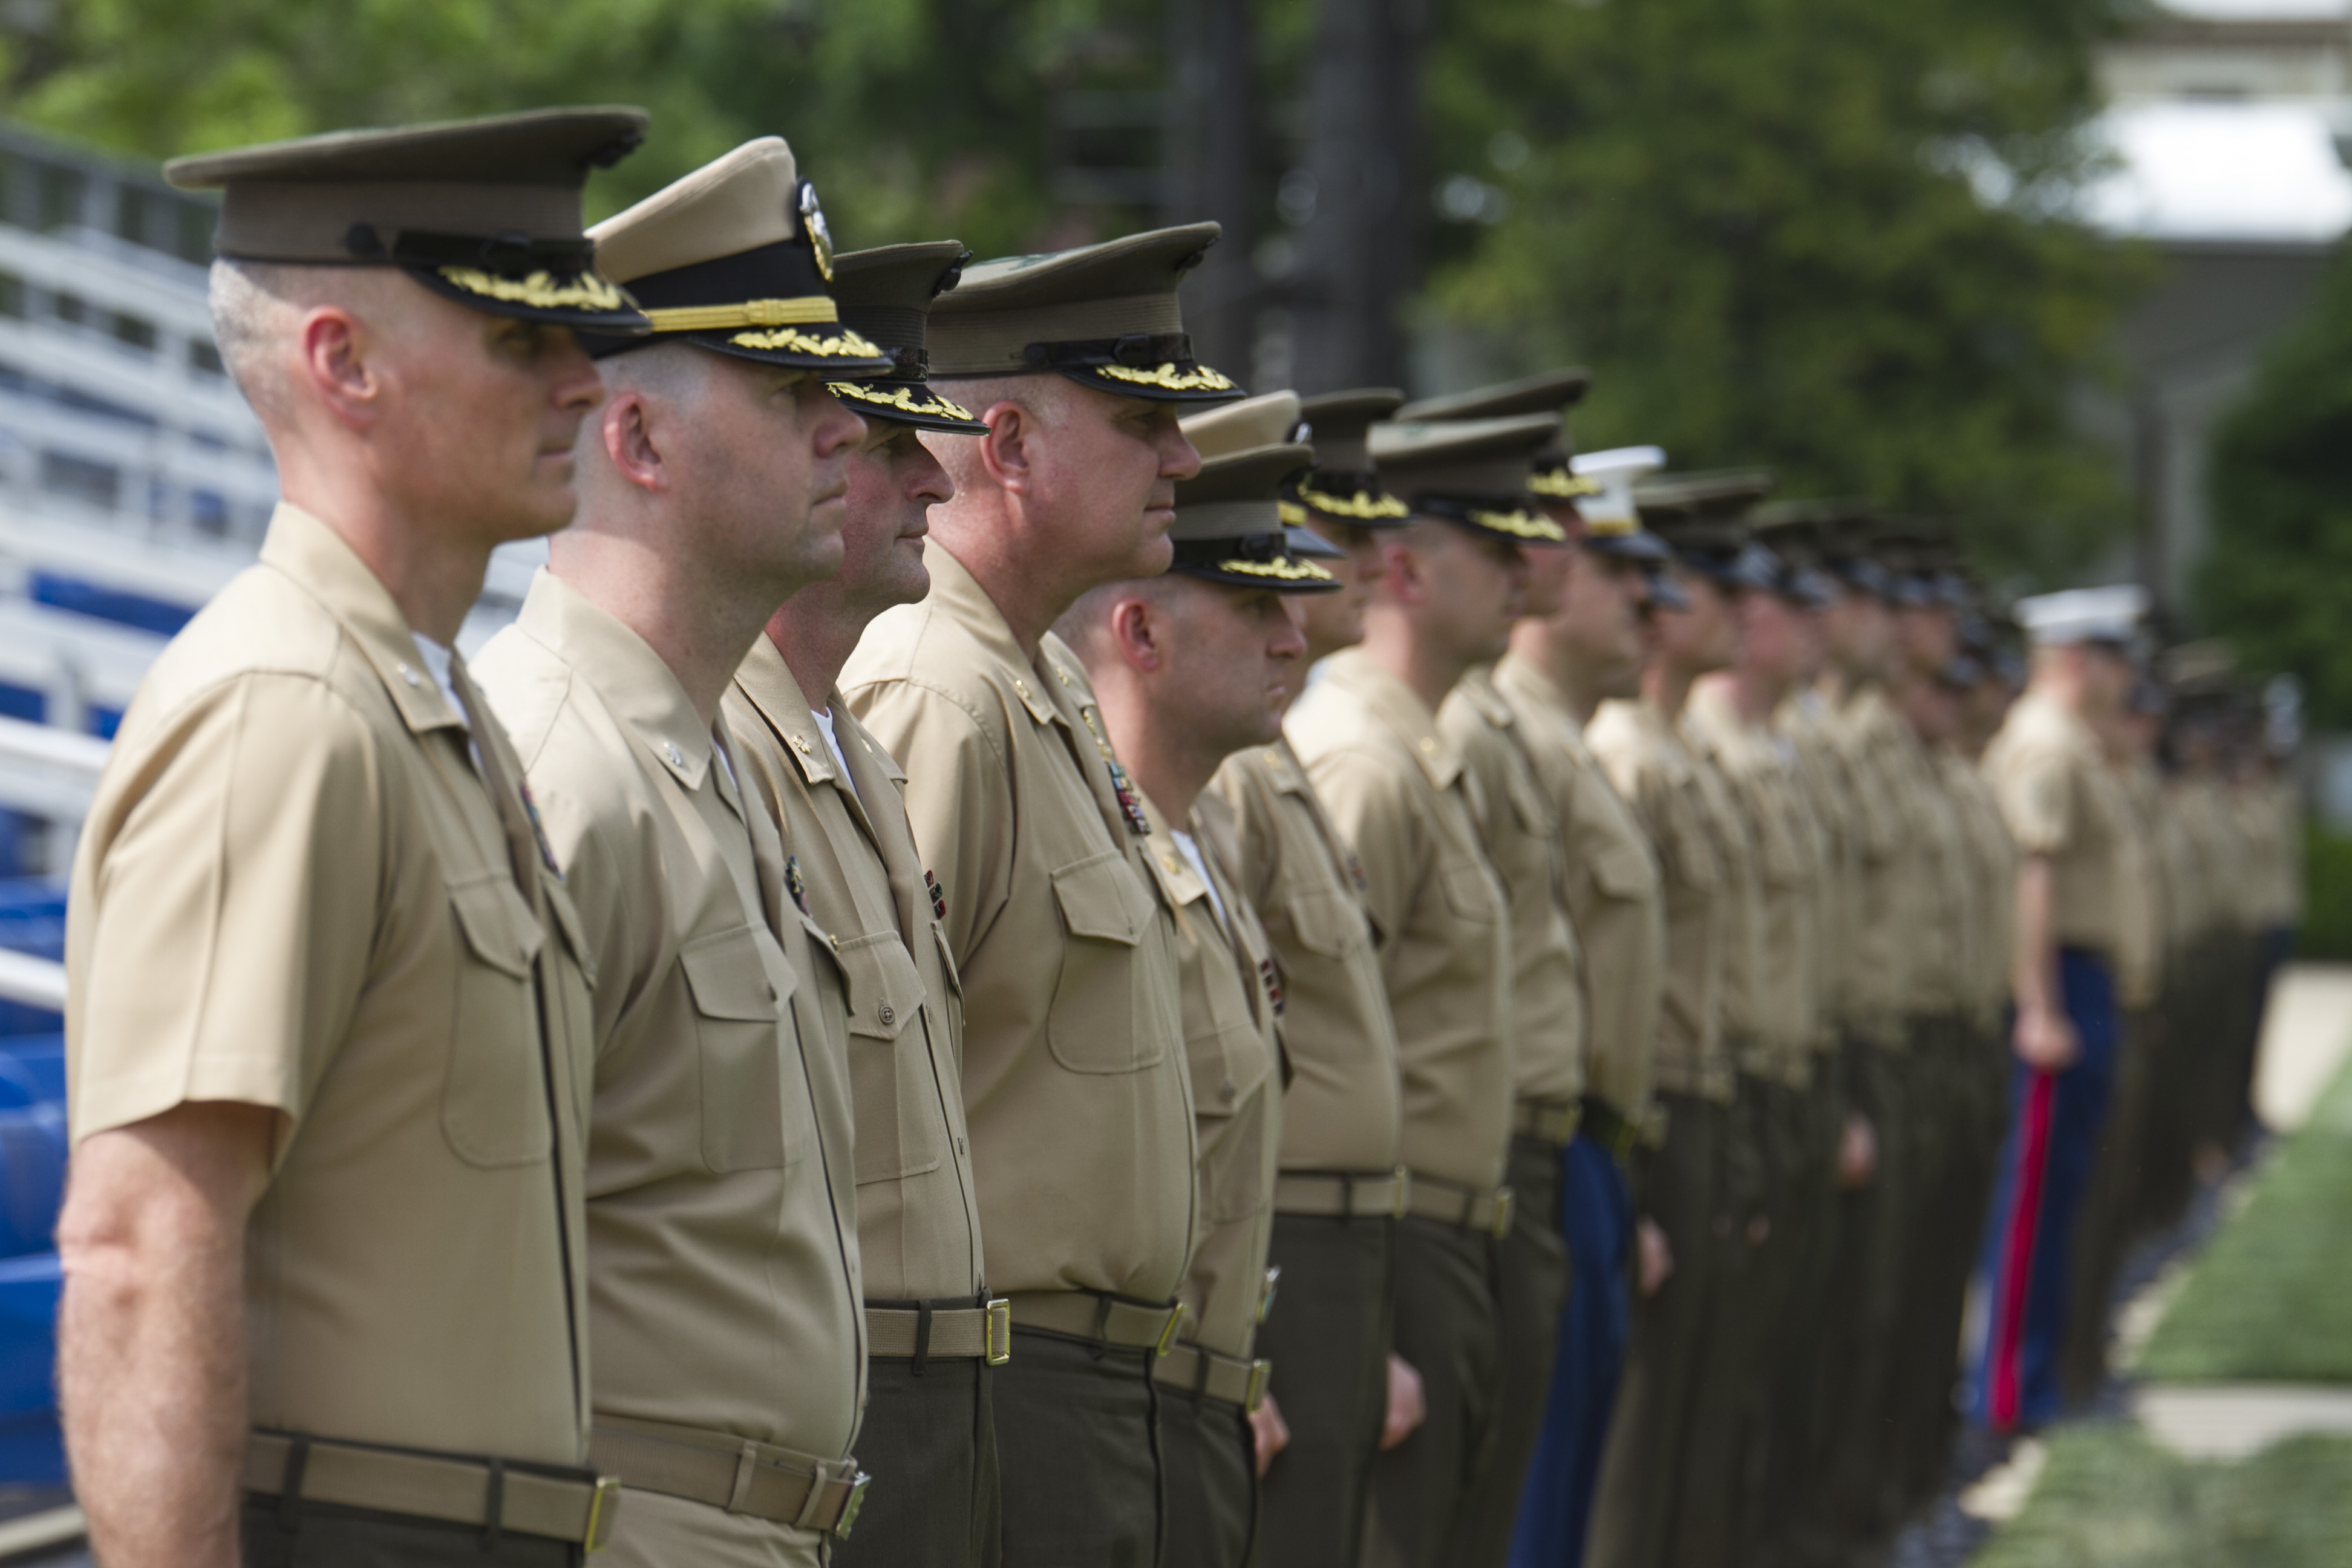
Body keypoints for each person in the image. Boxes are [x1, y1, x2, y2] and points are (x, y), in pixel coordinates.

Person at [57, 108, 650, 1566]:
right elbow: (141, 1250)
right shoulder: (288, 709)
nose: (584, 379)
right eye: (523, 340)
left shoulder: (416, 701)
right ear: (343, 362)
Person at [471, 138, 889, 1564]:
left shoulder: (704, 762)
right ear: (639, 441)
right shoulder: (552, 768)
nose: (848, 430)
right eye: (793, 393)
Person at [841, 224, 1232, 1567]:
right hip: (1004, 1383)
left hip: (1087, 1385)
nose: (1184, 457)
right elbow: (879, 1082)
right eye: (1142, 421)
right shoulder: (937, 691)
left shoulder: (1033, 684)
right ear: (1006, 446)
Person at [720, 240, 1002, 1567]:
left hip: (933, 1405)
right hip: (824, 1424)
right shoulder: (718, 744)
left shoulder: (857, 755)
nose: (929, 480)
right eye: (885, 440)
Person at [1060, 408, 1341, 1566]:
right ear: (1142, 633)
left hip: (1200, 1393)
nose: (1297, 641)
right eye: (1257, 608)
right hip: (1116, 1405)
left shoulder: (1193, 835)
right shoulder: (1095, 822)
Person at [1288, 413, 1563, 1568]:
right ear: (1406, 567)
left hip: (1453, 1225)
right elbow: (1321, 1040)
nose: (1526, 573)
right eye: (1497, 553)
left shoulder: (1417, 753)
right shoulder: (1360, 759)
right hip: (1394, 1242)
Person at [1207, 388, 1417, 1568]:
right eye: (1267, 573)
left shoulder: (1281, 755)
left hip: (1334, 1242)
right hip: (1291, 1245)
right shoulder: (1268, 766)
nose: (1344, 572)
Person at [1392, 373, 1593, 1568]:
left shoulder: (1461, 730)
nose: (1529, 562)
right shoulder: (1393, 751)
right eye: (1495, 538)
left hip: (1504, 1162)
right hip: (1431, 1190)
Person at [1494, 447, 1675, 1568]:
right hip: (1527, 1148)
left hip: (1589, 1142)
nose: (1641, 600)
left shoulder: (1555, 743)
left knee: (1569, 1487)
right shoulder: (1495, 737)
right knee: (1532, 1491)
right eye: (1617, 568)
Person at [1600, 475, 1778, 1568]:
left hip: (1708, 1093)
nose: (1733, 614)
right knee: (1641, 1429)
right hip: (1654, 1110)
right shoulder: (1630, 753)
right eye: (1704, 587)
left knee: (1701, 1408)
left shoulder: (1677, 752)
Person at [1682, 533, 1837, 1564]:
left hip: (1775, 1078)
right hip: (1699, 1096)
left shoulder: (1763, 752)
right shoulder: (1680, 755)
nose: (1753, 618)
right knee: (1678, 1421)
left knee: (1767, 1370)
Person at [1970, 584, 2145, 1436]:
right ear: (2076, 659)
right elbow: (2029, 875)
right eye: (2115, 659)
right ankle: (2008, 1392)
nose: (2126, 678)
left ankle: (2042, 1377)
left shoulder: (2076, 744)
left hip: (2086, 977)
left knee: (2066, 1193)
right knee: (2034, 1205)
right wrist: (2038, 1005)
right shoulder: (2046, 742)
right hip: (2061, 980)